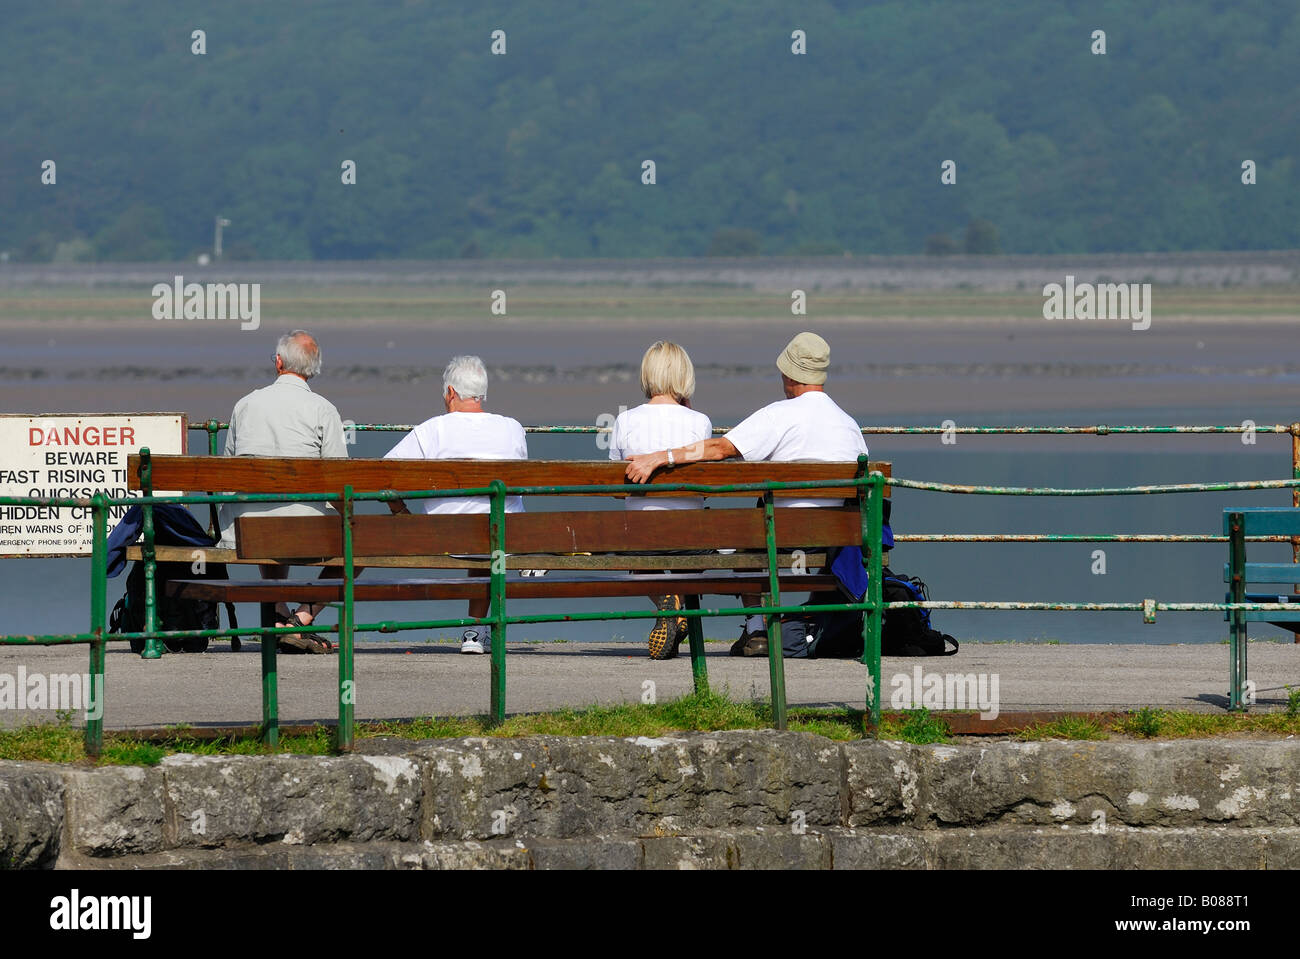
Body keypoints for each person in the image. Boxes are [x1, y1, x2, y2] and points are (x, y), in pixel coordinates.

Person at [626, 331, 868, 657]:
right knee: (752, 529)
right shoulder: (849, 424)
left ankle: (755, 628)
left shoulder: (780, 415)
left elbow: (719, 449)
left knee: (742, 536)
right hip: (834, 542)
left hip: (779, 538)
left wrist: (662, 457)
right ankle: (760, 628)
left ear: (788, 374)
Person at [384, 355, 528, 654]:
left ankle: (474, 632)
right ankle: (474, 632)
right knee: (488, 522)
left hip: (445, 539)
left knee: (474, 527)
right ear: (482, 394)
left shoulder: (431, 430)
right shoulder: (512, 428)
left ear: (450, 392)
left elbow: (383, 477)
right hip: (505, 537)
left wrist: (400, 511)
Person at [220, 330, 350, 654]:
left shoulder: (245, 405)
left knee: (270, 517)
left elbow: (226, 473)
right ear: (313, 368)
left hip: (246, 529)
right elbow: (341, 482)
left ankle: (278, 614)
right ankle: (302, 618)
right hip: (304, 531)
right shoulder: (324, 410)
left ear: (278, 362)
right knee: (355, 543)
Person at [608, 341, 713, 659]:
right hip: (689, 537)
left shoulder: (625, 421)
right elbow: (705, 488)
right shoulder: (700, 422)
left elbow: (616, 486)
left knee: (637, 561)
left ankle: (668, 600)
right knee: (690, 546)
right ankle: (678, 605)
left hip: (640, 536)